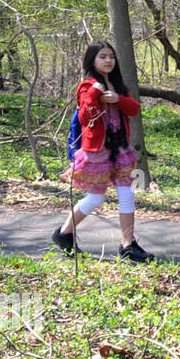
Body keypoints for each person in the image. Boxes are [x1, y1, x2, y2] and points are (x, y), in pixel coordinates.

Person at [51, 41, 152, 263]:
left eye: (111, 57)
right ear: (92, 60)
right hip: (98, 152)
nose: (108, 60)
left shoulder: (117, 84)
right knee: (96, 197)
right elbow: (87, 116)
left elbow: (134, 109)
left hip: (120, 150)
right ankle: (64, 233)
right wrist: (95, 95)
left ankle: (128, 245)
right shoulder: (87, 85)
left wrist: (119, 99)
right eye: (103, 56)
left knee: (127, 194)